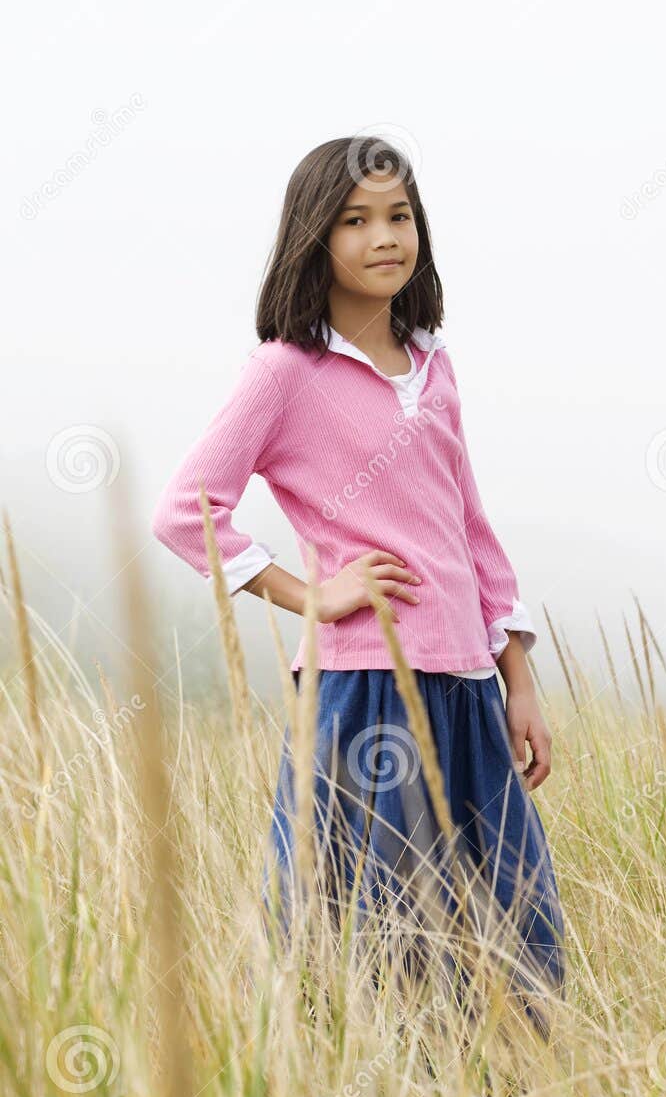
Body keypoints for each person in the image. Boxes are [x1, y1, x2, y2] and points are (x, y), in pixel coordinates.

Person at [150, 135, 565, 1039]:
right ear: (315, 236)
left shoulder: (433, 364)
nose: (385, 237)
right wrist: (312, 596)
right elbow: (185, 511)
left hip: (467, 688)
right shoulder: (284, 371)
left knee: (513, 935)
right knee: (374, 935)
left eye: (399, 216)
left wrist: (519, 677)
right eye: (355, 220)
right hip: (364, 689)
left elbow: (470, 525)